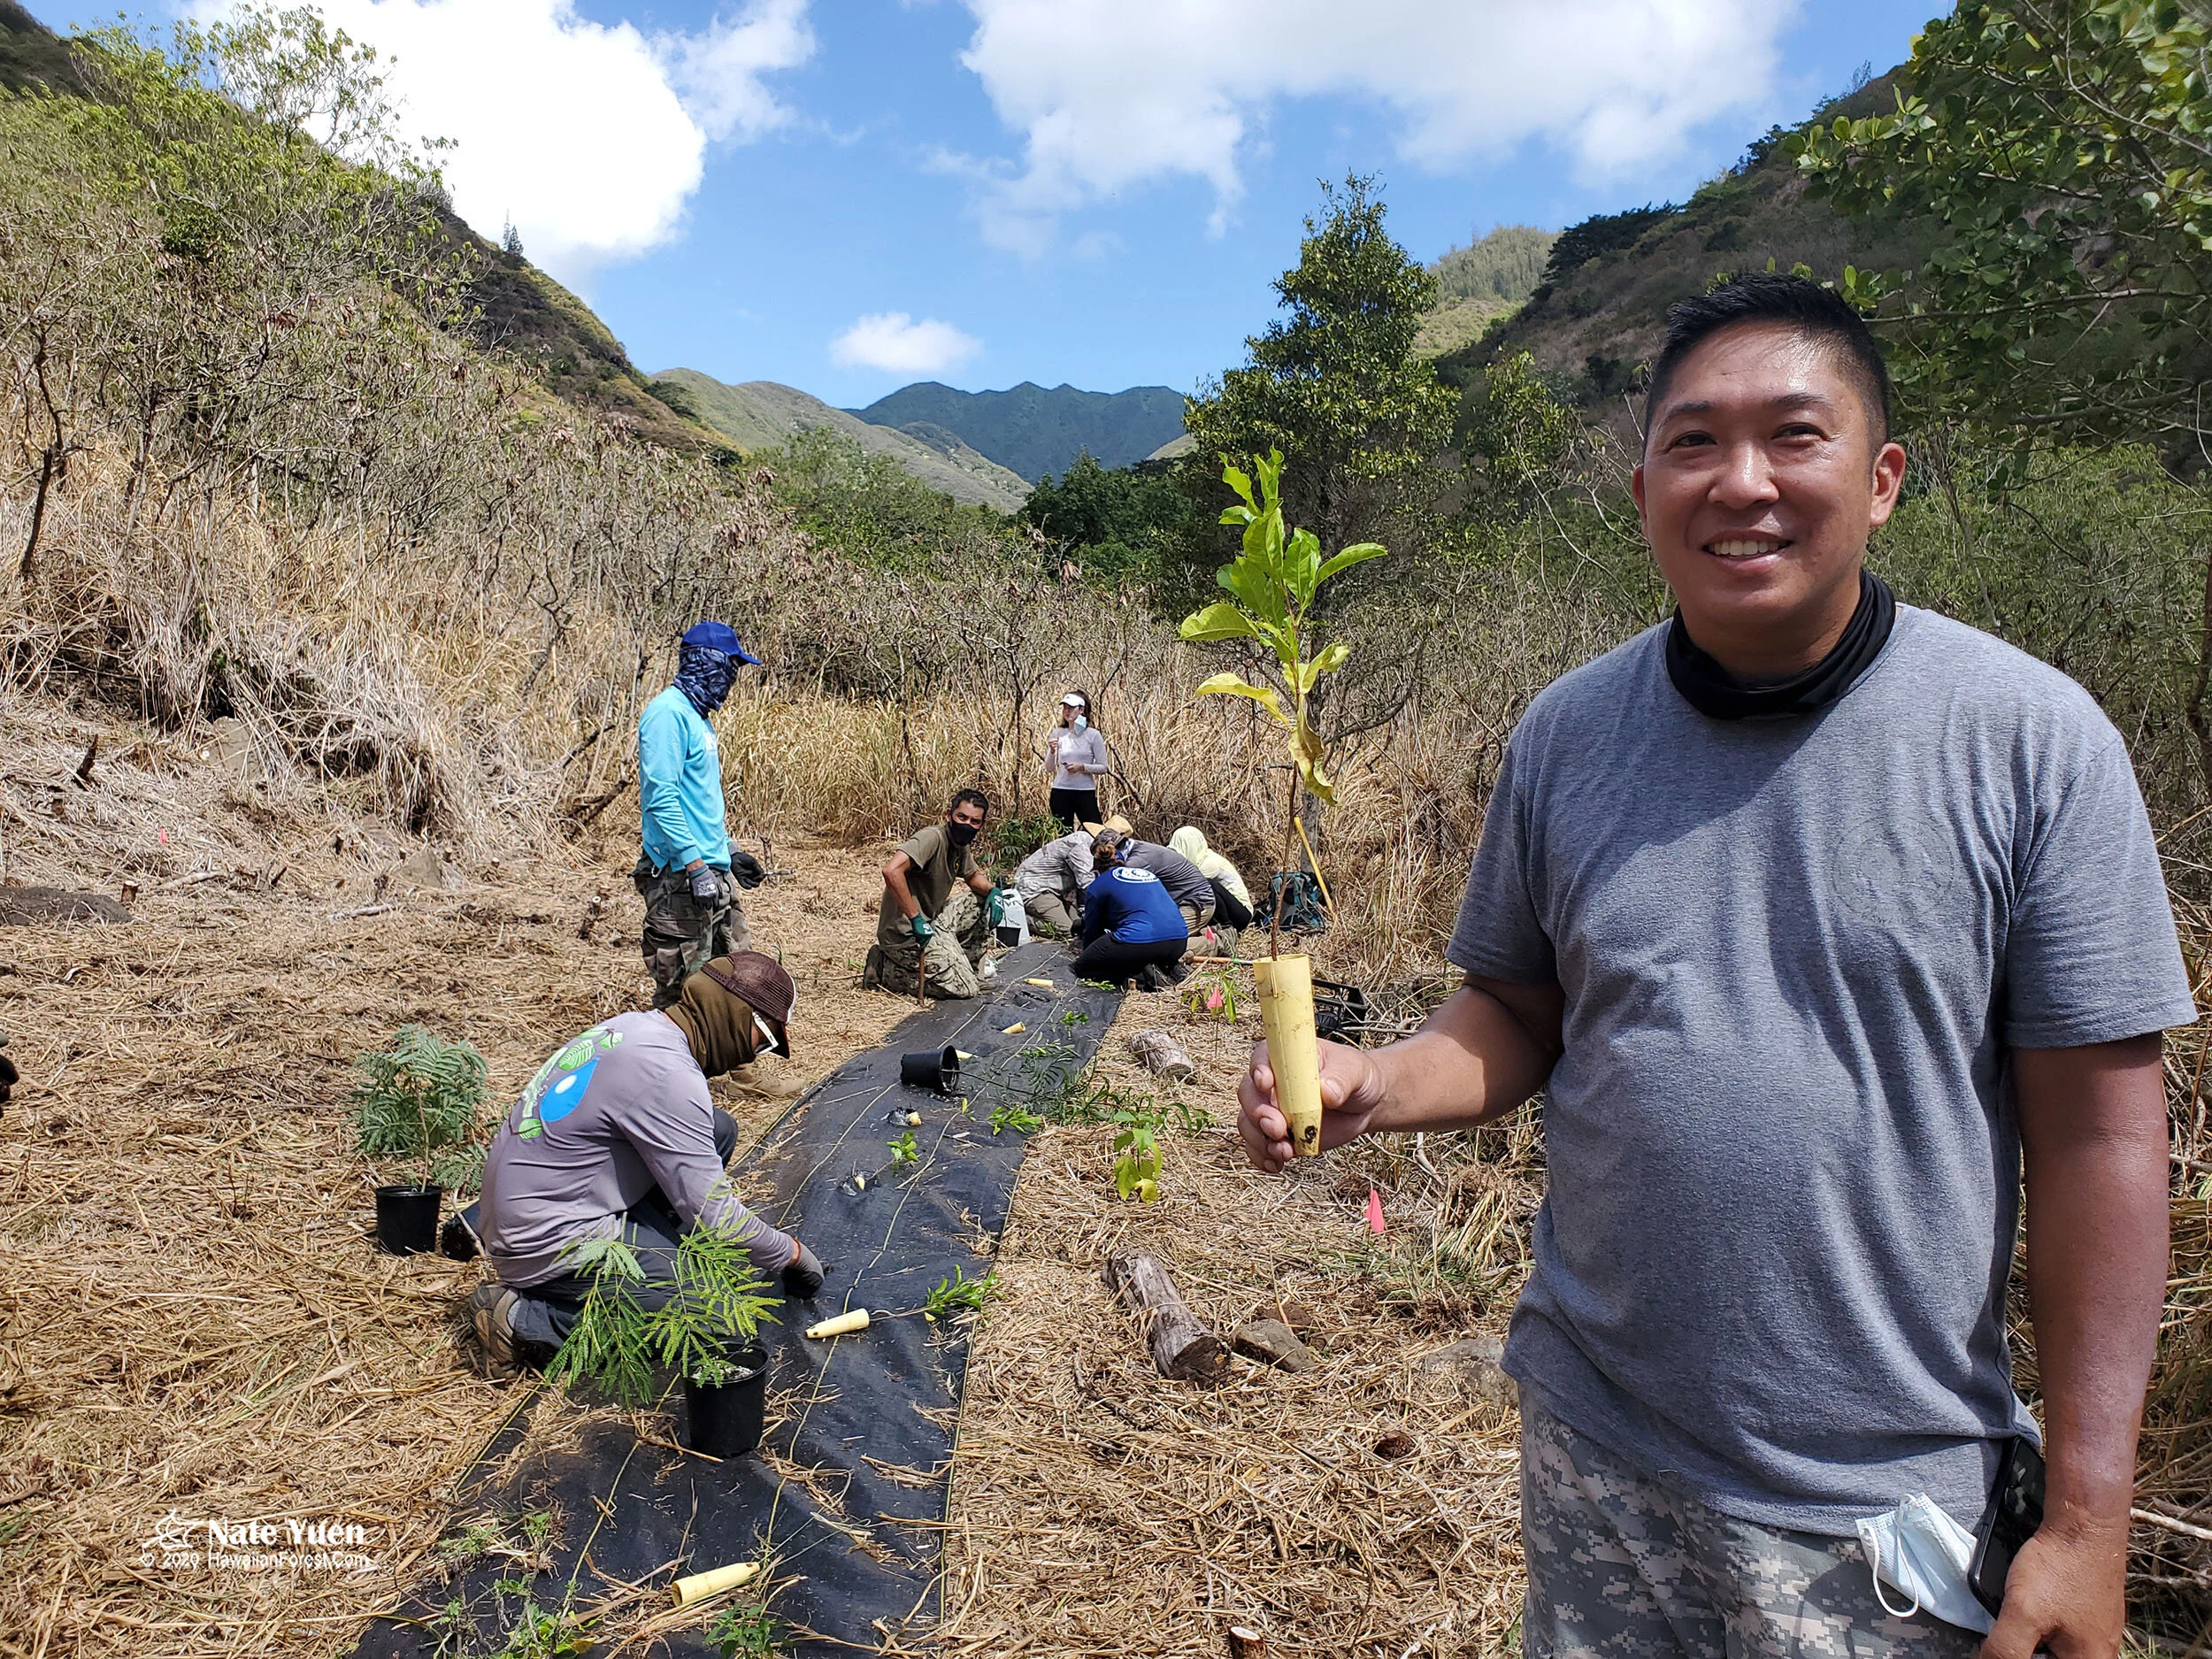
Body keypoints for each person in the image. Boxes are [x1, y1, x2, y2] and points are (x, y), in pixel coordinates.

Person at [1236, 274, 2192, 1659]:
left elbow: (2106, 1132)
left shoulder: (2029, 741)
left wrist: (2090, 1521)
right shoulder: (1569, 733)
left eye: (1792, 435)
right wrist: (1375, 1078)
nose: (1740, 480)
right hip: (1596, 1447)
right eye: (1694, 442)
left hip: (1876, 1506)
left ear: (1882, 480)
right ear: (1641, 492)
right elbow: (1516, 1009)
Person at [466, 952, 825, 1373]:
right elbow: (717, 1216)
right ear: (734, 1015)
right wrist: (791, 1253)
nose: (752, 1058)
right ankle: (523, 1321)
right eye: (762, 1041)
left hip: (533, 1206)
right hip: (546, 1242)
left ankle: (658, 1257)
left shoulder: (638, 1028)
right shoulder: (667, 1074)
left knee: (717, 1129)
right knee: (712, 1320)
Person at [634, 620, 762, 1010]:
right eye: (731, 668)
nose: (732, 680)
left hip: (711, 870)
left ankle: (736, 1069)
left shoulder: (698, 717)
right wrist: (694, 865)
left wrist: (728, 852)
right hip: (681, 878)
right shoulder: (667, 715)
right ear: (710, 663)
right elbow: (662, 797)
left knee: (737, 973)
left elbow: (698, 801)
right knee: (685, 991)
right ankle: (678, 1069)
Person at [864, 788, 1002, 998]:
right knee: (966, 990)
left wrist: (994, 892)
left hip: (935, 923)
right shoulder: (932, 837)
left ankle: (969, 968)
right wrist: (915, 918)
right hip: (907, 934)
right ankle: (885, 969)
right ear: (949, 815)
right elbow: (891, 871)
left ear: (981, 825)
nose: (967, 825)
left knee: (980, 903)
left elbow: (972, 875)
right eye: (962, 817)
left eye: (974, 821)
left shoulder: (960, 845)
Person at [1072, 836, 1188, 989]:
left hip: (1140, 940)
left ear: (1098, 869)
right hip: (1179, 940)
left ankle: (1138, 976)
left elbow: (1092, 931)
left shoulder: (1098, 885)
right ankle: (1168, 969)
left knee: (1082, 968)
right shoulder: (1146, 874)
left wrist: (1089, 955)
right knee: (1139, 947)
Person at [1106, 829, 1214, 937]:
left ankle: (1217, 941)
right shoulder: (1136, 848)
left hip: (1196, 903)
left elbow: (1119, 896)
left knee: (1158, 942)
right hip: (1179, 902)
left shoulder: (1136, 862)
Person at [1168, 825, 1255, 950]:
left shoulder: (1209, 863)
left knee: (1207, 885)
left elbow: (1188, 886)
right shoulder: (1199, 861)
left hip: (1242, 914)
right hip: (1230, 910)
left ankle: (1226, 928)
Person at [1013, 822, 1095, 937]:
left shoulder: (1085, 843)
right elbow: (1086, 884)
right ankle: (1021, 920)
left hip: (1053, 891)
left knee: (1080, 927)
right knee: (1068, 931)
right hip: (1035, 890)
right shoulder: (1080, 846)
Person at [1044, 692, 1109, 828]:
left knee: (1095, 832)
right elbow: (1049, 768)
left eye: (1071, 708)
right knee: (1063, 836)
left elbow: (1103, 767)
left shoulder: (1093, 735)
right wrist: (1052, 751)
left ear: (1081, 709)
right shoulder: (1058, 733)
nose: (1067, 711)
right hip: (1060, 791)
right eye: (1065, 708)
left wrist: (1082, 767)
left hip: (1084, 791)